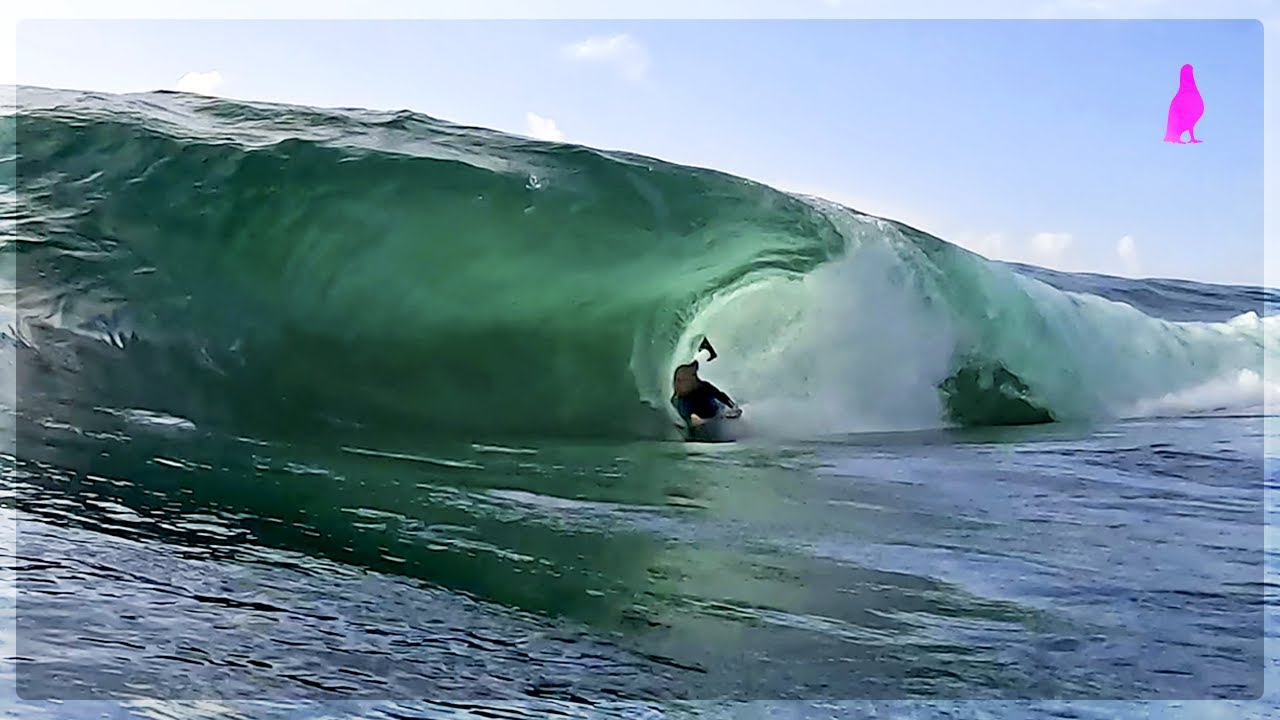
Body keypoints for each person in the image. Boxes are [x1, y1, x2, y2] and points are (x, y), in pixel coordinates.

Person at [671, 338, 742, 431]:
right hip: (688, 402)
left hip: (705, 404)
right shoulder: (682, 391)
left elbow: (720, 395)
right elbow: (674, 400)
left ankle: (722, 415)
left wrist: (733, 407)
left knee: (714, 406)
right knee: (687, 409)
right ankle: (692, 426)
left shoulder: (702, 386)